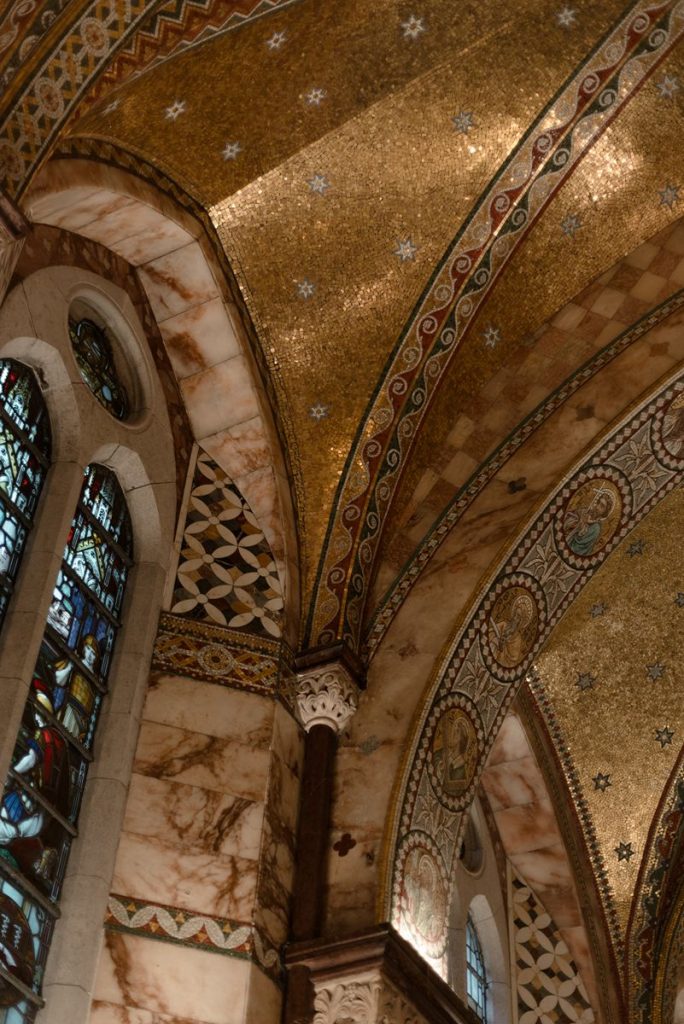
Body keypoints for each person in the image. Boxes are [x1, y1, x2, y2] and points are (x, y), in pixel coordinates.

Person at [564, 485, 615, 556]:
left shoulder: (596, 528)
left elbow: (579, 547)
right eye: (598, 503)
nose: (597, 507)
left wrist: (580, 526)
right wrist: (576, 520)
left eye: (602, 506)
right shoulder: (585, 511)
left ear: (605, 512)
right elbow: (569, 516)